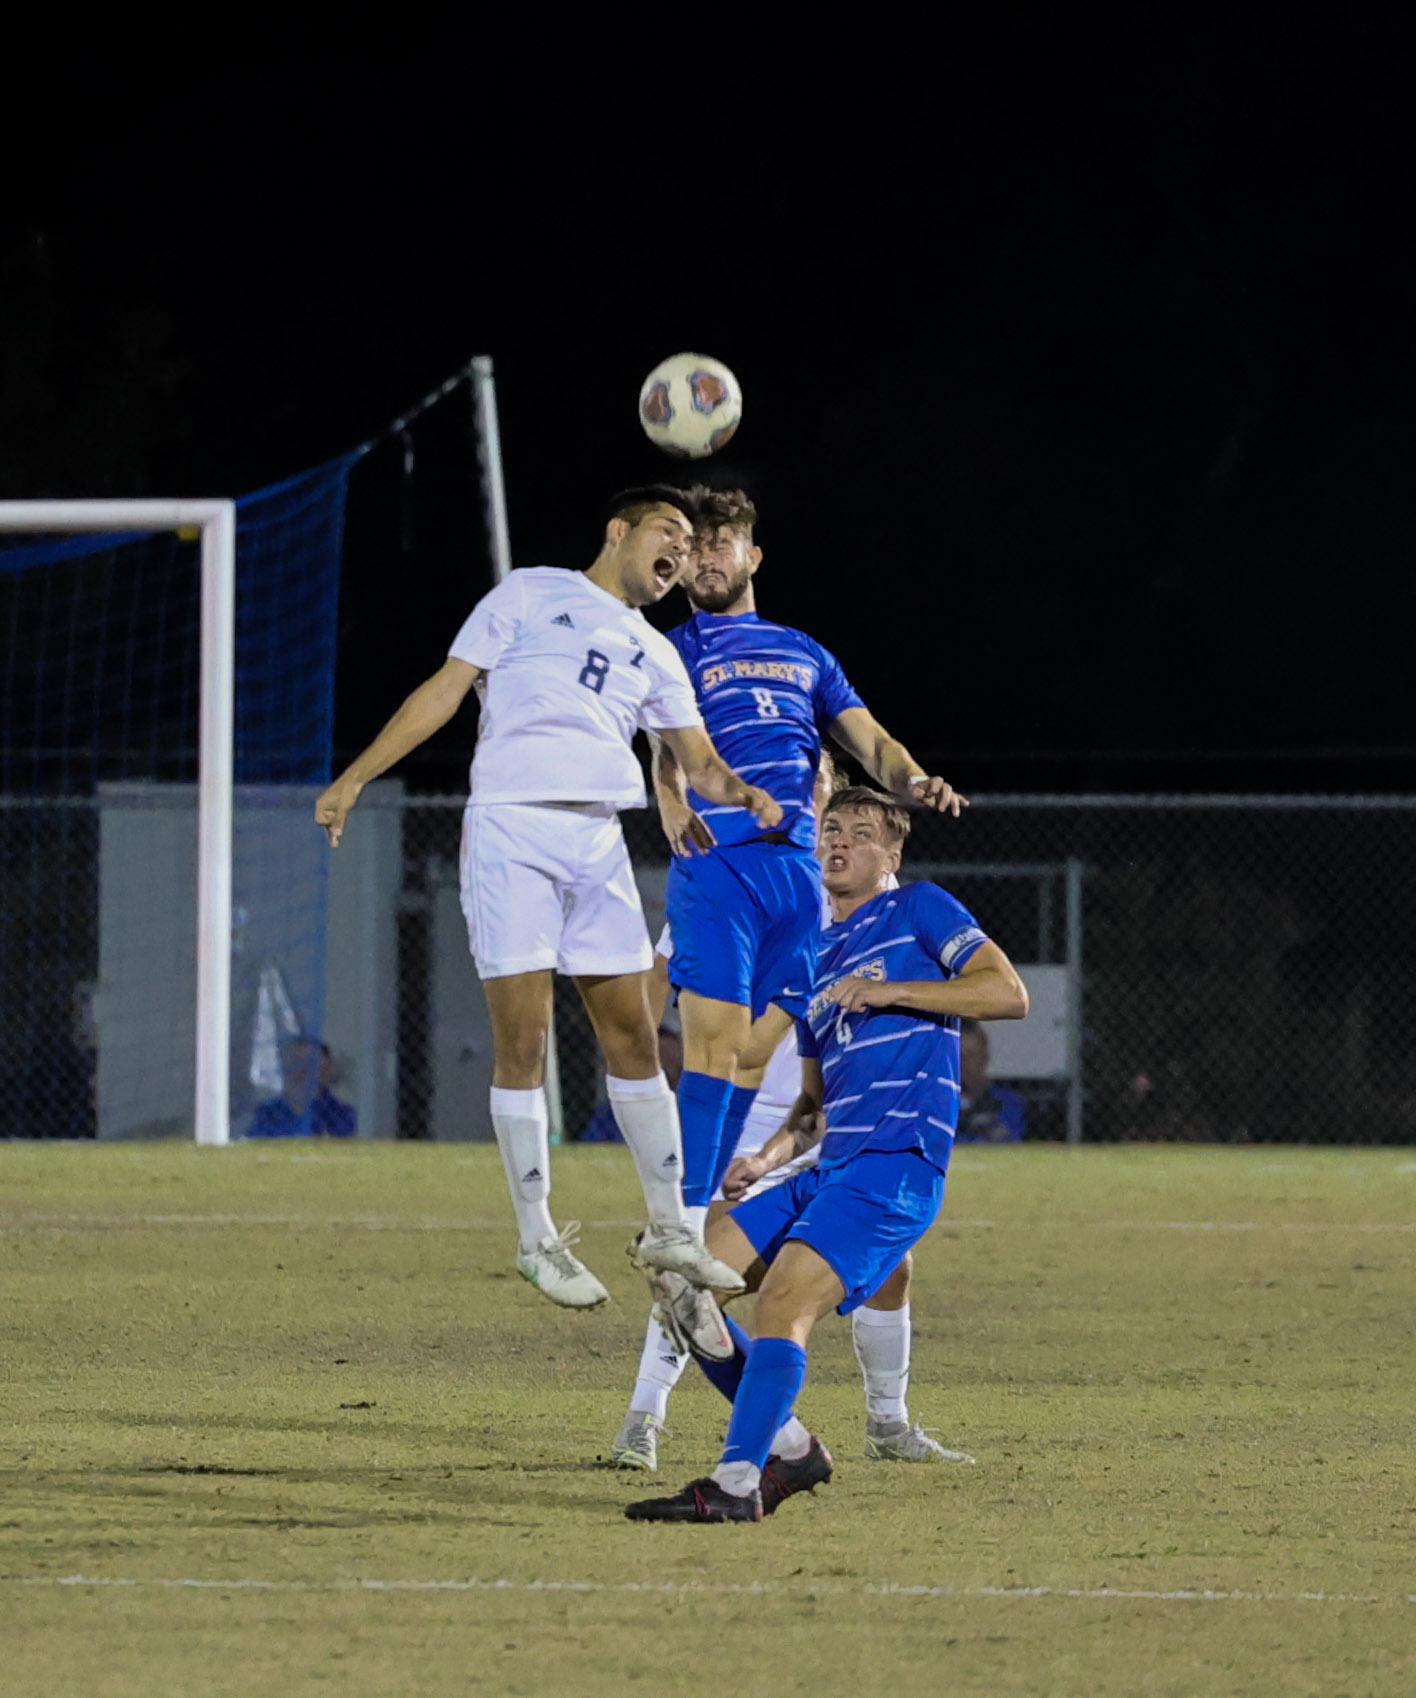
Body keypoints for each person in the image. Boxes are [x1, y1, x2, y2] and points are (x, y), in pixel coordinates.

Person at [315, 486, 781, 1311]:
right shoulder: (531, 592)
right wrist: (356, 778)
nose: (678, 552)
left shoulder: (658, 653)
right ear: (617, 530)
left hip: (597, 841)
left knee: (637, 1036)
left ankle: (671, 1227)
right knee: (523, 1040)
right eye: (666, 532)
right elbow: (444, 690)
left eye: (689, 541)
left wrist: (743, 791)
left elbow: (698, 762)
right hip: (512, 832)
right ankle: (536, 1236)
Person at [624, 786, 1028, 1523]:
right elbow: (813, 1108)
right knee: (679, 1283)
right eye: (832, 829)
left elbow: (1007, 993)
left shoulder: (919, 910)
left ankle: (740, 1483)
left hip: (896, 1165)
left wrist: (890, 991)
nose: (841, 842)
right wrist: (768, 1156)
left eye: (863, 833)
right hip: (823, 1168)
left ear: (892, 854)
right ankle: (791, 1446)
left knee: (782, 1302)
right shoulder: (812, 954)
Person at [633, 487, 968, 1372]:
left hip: (793, 871)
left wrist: (918, 779)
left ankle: (705, 1229)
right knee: (712, 1048)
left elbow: (872, 743)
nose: (706, 558)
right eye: (695, 546)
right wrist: (671, 806)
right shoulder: (673, 649)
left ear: (753, 558)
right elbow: (665, 752)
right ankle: (683, 1221)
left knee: (751, 1054)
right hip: (720, 855)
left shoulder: (804, 654)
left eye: (724, 544)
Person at [246, 1038, 356, 1139]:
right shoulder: (269, 1112)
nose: (304, 1073)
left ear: (326, 1070)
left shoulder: (340, 1114)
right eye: (298, 1063)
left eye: (312, 1065)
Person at [955, 1019, 1028, 1142]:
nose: (964, 1064)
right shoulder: (938, 1103)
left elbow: (1009, 1138)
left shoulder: (1006, 1102)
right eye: (960, 1057)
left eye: (971, 1056)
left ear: (984, 1057)